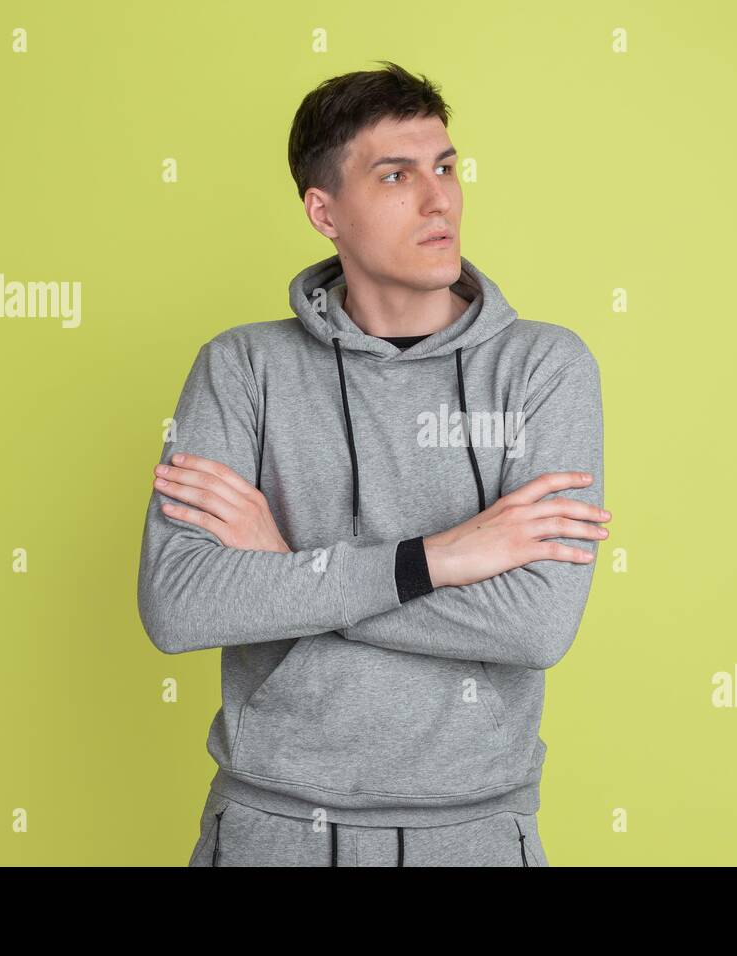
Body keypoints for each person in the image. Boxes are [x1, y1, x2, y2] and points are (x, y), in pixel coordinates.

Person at [136, 61, 608, 867]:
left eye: (446, 167)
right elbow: (179, 606)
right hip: (269, 829)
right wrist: (441, 559)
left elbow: (535, 625)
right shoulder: (242, 368)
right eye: (397, 174)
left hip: (475, 834)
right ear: (325, 211)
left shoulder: (543, 368)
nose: (440, 199)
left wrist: (286, 571)